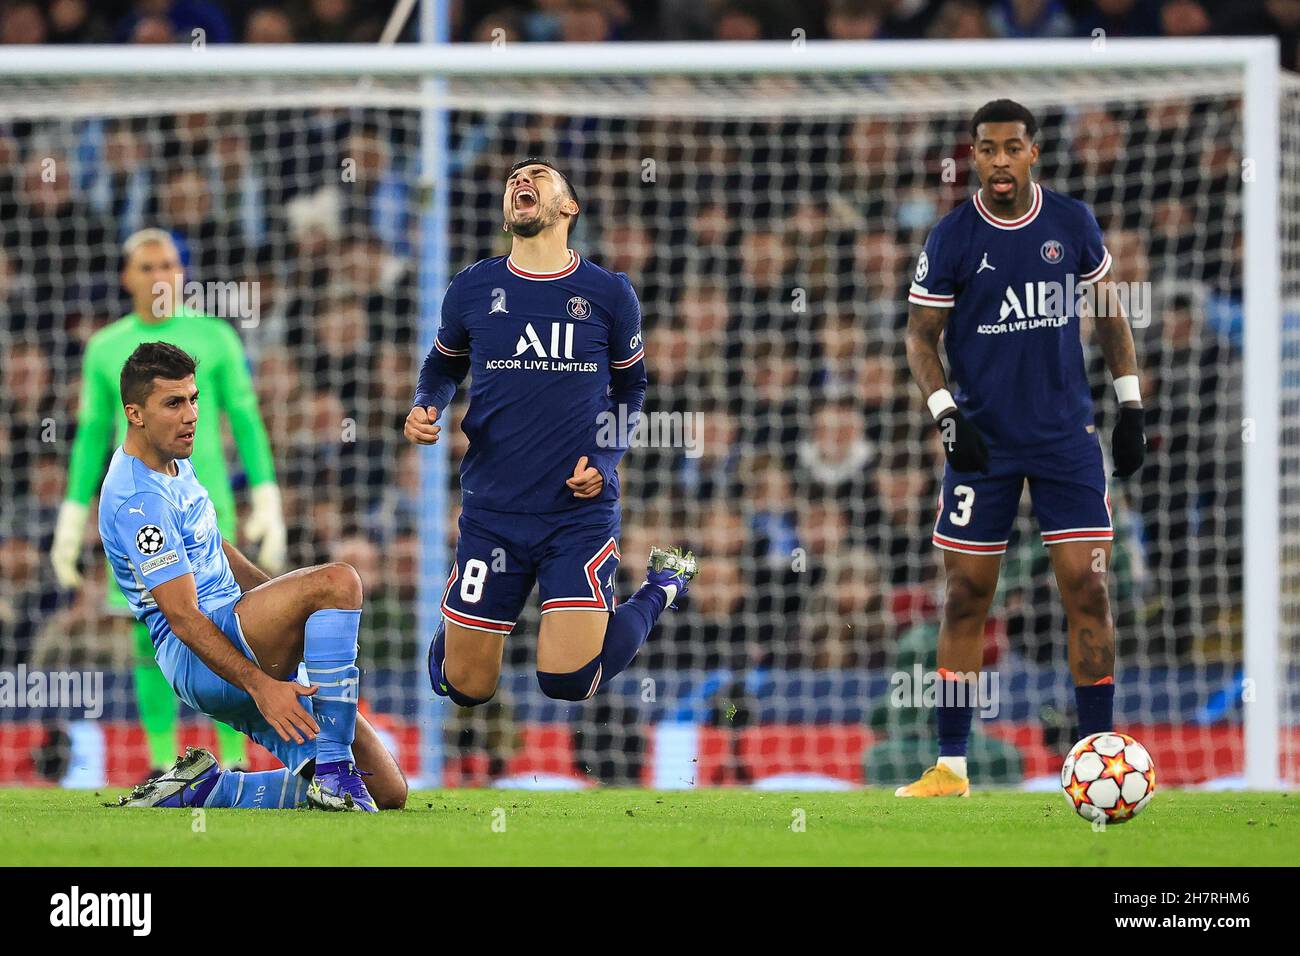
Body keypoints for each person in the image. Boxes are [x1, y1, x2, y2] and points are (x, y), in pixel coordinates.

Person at [899, 100, 1146, 798]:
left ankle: (1097, 753)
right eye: (986, 149)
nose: (999, 160)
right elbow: (920, 336)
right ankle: (951, 767)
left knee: (1087, 588)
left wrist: (1131, 404)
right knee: (966, 595)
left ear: (1033, 152)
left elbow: (1108, 314)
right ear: (973, 156)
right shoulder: (951, 237)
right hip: (985, 445)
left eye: (1012, 148)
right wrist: (946, 414)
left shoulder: (1071, 223)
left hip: (1067, 440)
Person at [406, 158, 697, 708]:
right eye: (513, 178)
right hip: (493, 512)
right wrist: (427, 405)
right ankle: (463, 625)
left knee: (567, 683)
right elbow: (444, 365)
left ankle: (662, 586)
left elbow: (631, 391)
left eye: (537, 175)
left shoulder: (609, 293)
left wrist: (605, 462)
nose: (520, 180)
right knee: (460, 687)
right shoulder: (473, 287)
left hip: (576, 514)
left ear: (568, 206)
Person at [104, 342, 405, 811]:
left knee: (387, 792)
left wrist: (282, 608)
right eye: (173, 403)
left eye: (194, 399)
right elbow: (182, 617)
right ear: (135, 414)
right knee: (339, 582)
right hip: (202, 656)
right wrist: (262, 686)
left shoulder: (173, 461)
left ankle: (209, 791)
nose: (191, 415)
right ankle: (331, 772)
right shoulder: (138, 502)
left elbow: (213, 545)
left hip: (238, 634)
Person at [52, 228, 287, 778]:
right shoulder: (106, 348)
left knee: (226, 622)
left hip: (207, 506)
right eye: (148, 267)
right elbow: (90, 436)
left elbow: (246, 421)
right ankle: (164, 761)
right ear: (127, 277)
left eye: (170, 265)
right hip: (139, 508)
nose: (162, 276)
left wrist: (266, 495)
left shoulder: (217, 337)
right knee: (148, 626)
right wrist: (70, 515)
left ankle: (231, 760)